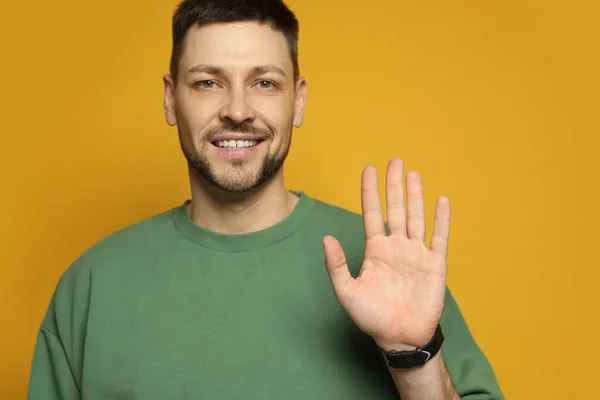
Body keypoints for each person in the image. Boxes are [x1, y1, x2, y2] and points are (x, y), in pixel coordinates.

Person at [27, 0, 504, 398]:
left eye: (265, 83)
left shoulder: (386, 266)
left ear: (297, 101)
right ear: (171, 100)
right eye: (208, 82)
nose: (237, 110)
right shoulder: (90, 287)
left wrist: (411, 355)